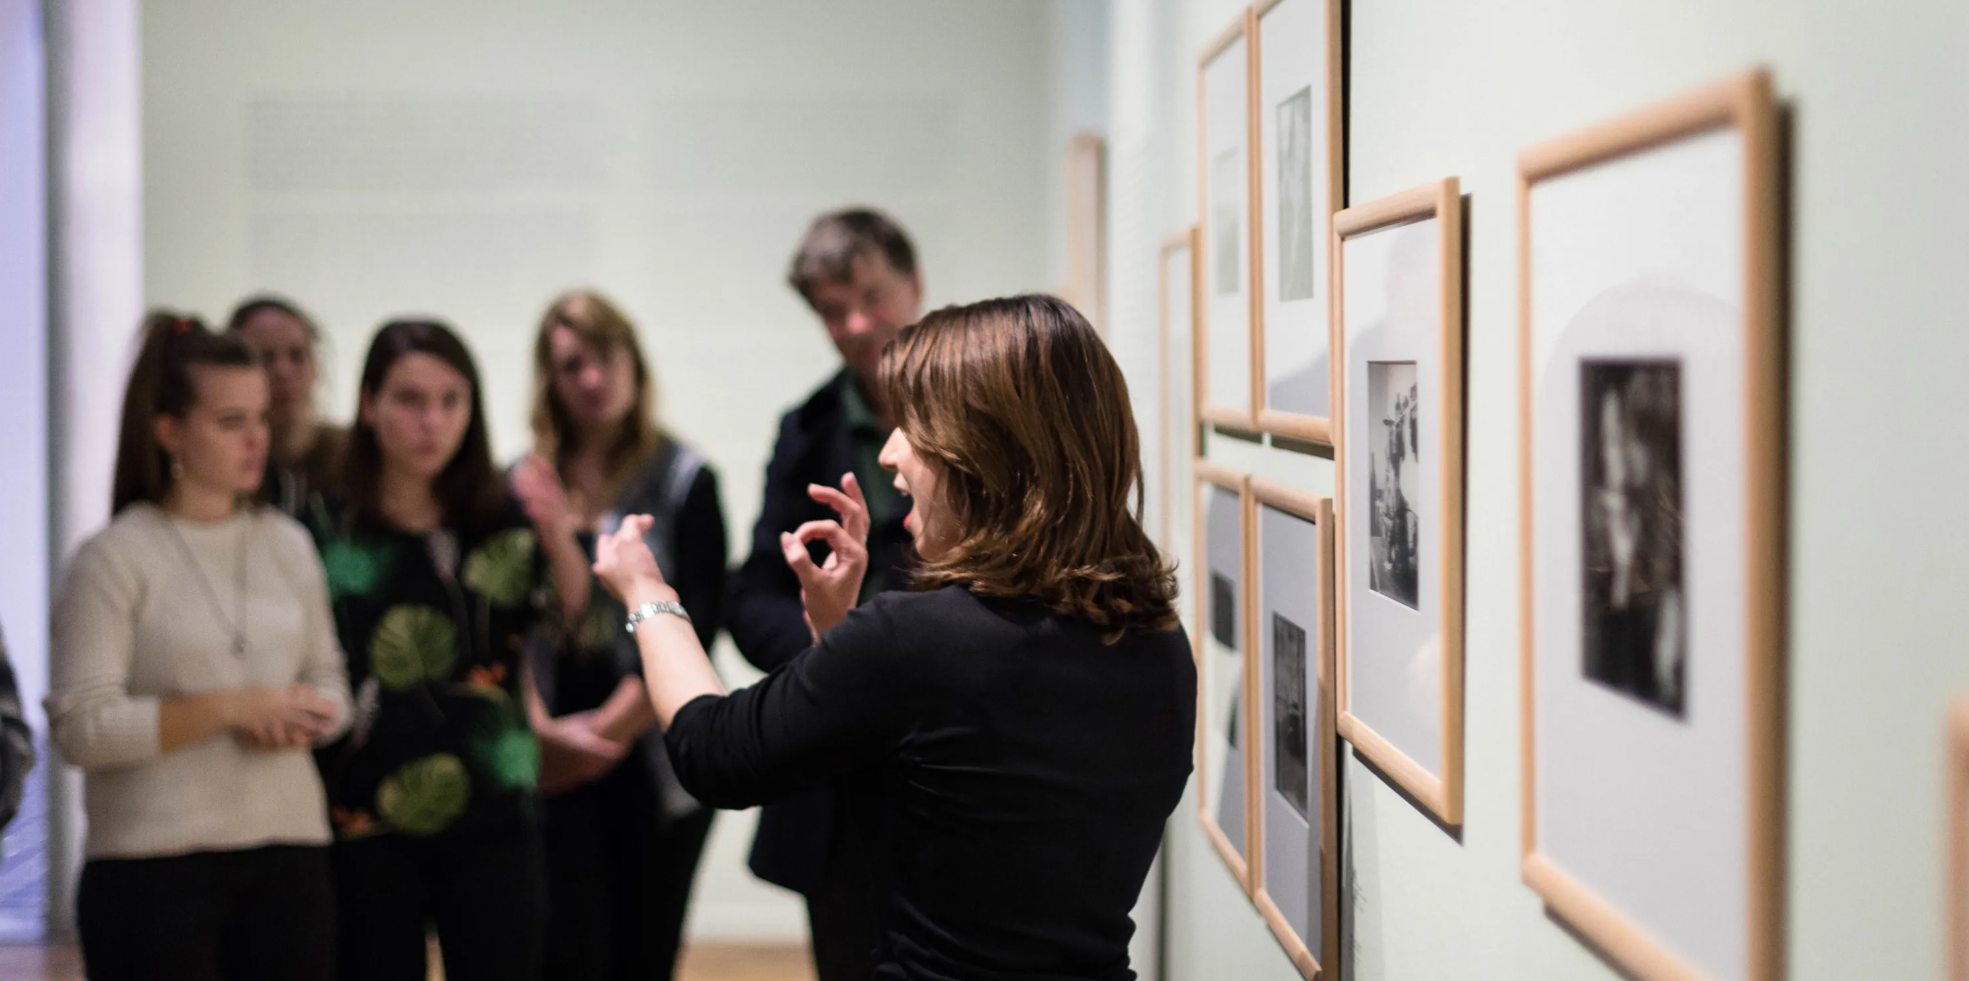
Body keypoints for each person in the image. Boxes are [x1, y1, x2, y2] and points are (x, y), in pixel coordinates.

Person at [597, 295, 1195, 981]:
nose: (889, 452)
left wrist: (648, 592)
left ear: (983, 449)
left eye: (914, 426)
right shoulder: (1157, 639)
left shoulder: (916, 639)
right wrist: (838, 636)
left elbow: (713, 751)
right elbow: (969, 798)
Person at [48, 312, 350, 981]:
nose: (255, 440)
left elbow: (332, 684)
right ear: (169, 431)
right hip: (151, 870)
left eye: (261, 418)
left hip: (290, 857)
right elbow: (80, 726)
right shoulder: (113, 558)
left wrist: (302, 713)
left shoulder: (287, 543)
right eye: (230, 421)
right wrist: (232, 707)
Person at [303, 319, 549, 981]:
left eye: (451, 400)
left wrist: (555, 527)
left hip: (493, 806)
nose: (432, 421)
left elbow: (583, 630)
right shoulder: (322, 528)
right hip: (362, 814)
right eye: (410, 399)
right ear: (367, 403)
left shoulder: (503, 518)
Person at [725, 208, 923, 980]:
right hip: (842, 767)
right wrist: (831, 645)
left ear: (915, 284)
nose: (855, 324)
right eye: (832, 311)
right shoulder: (806, 427)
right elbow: (753, 591)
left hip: (949, 744)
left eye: (870, 297)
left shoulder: (981, 412)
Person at [509, 291, 727, 981]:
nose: (593, 379)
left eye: (605, 357)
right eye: (573, 364)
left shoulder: (685, 477)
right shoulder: (523, 482)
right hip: (546, 749)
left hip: (649, 755)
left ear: (633, 361)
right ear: (550, 378)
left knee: (641, 951)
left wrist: (606, 733)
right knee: (559, 953)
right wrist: (545, 734)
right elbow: (499, 624)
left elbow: (701, 617)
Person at [227, 295, 347, 517]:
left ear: (316, 368)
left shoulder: (350, 458)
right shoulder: (222, 465)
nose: (283, 372)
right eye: (265, 357)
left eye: (297, 355)